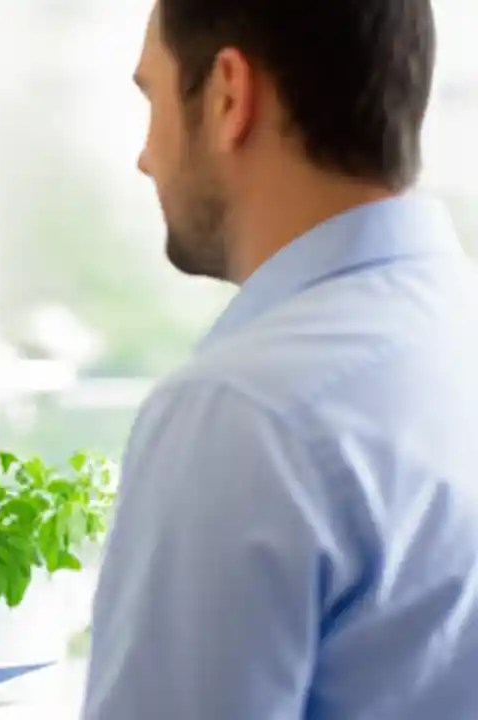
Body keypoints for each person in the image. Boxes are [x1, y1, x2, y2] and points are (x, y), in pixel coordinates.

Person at [84, 1, 478, 717]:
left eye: (153, 96)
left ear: (230, 96)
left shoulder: (244, 413)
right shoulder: (451, 337)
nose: (145, 155)